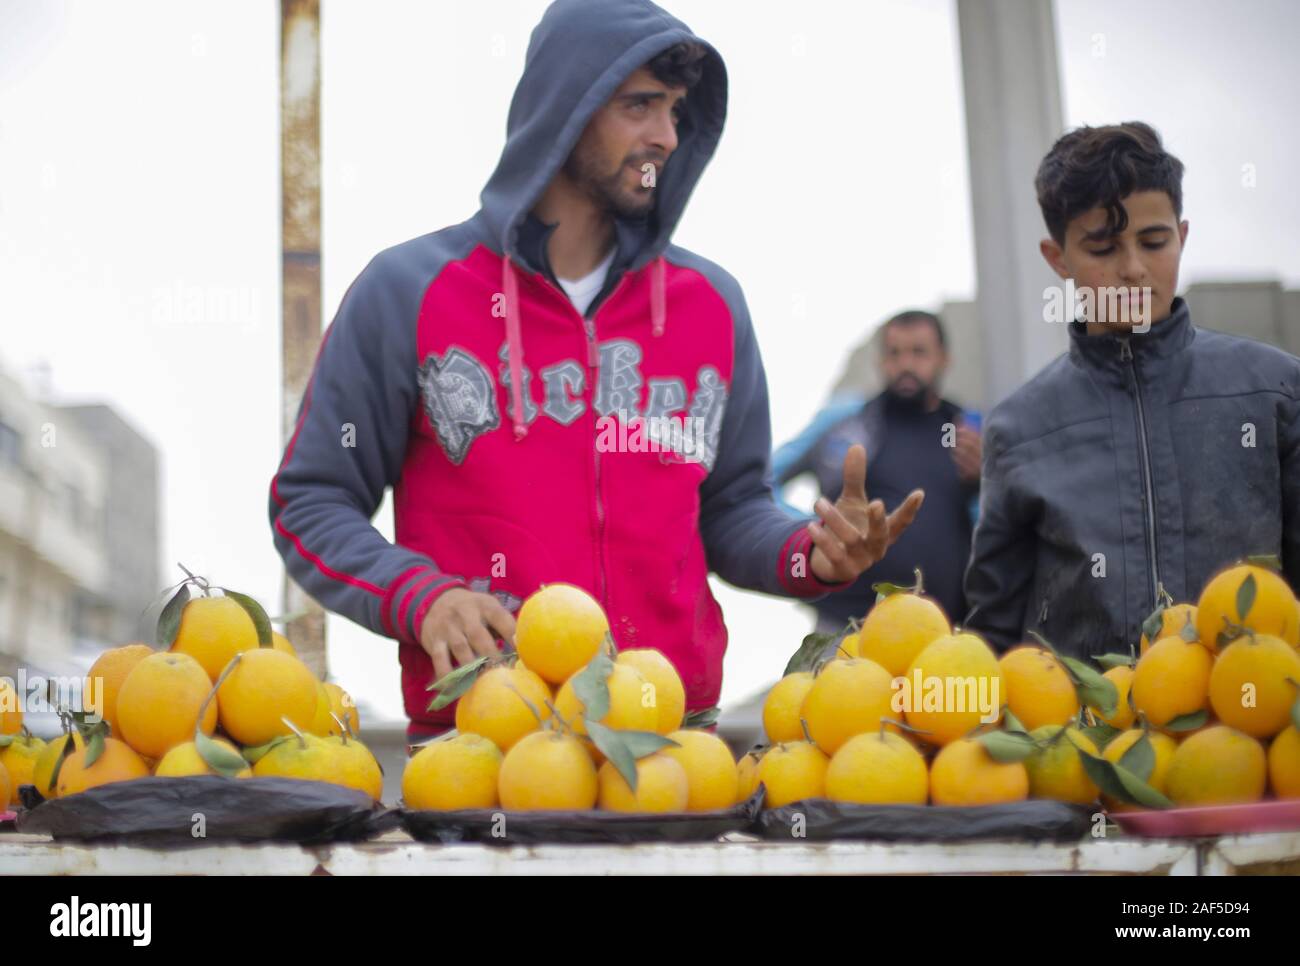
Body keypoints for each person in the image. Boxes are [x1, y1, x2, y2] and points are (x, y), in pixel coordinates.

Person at [268, 0, 923, 743]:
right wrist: (419, 597)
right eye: (639, 105)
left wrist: (810, 554)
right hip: (485, 745)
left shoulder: (712, 305)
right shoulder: (408, 291)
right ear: (565, 111)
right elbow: (310, 501)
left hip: (675, 742)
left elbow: (733, 507)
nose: (666, 135)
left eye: (675, 110)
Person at [964, 121, 1300, 657]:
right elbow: (993, 642)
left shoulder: (1276, 393)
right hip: (1081, 715)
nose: (1133, 269)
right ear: (1058, 258)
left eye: (1154, 242)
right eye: (1102, 248)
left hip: (1255, 707)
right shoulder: (1019, 430)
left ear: (1182, 237)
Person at [773, 310, 980, 633]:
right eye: (894, 353)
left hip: (942, 633)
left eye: (919, 352)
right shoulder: (848, 422)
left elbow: (998, 526)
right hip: (847, 628)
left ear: (944, 358)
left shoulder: (964, 432)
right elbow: (763, 480)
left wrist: (983, 480)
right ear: (881, 361)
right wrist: (814, 534)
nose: (906, 364)